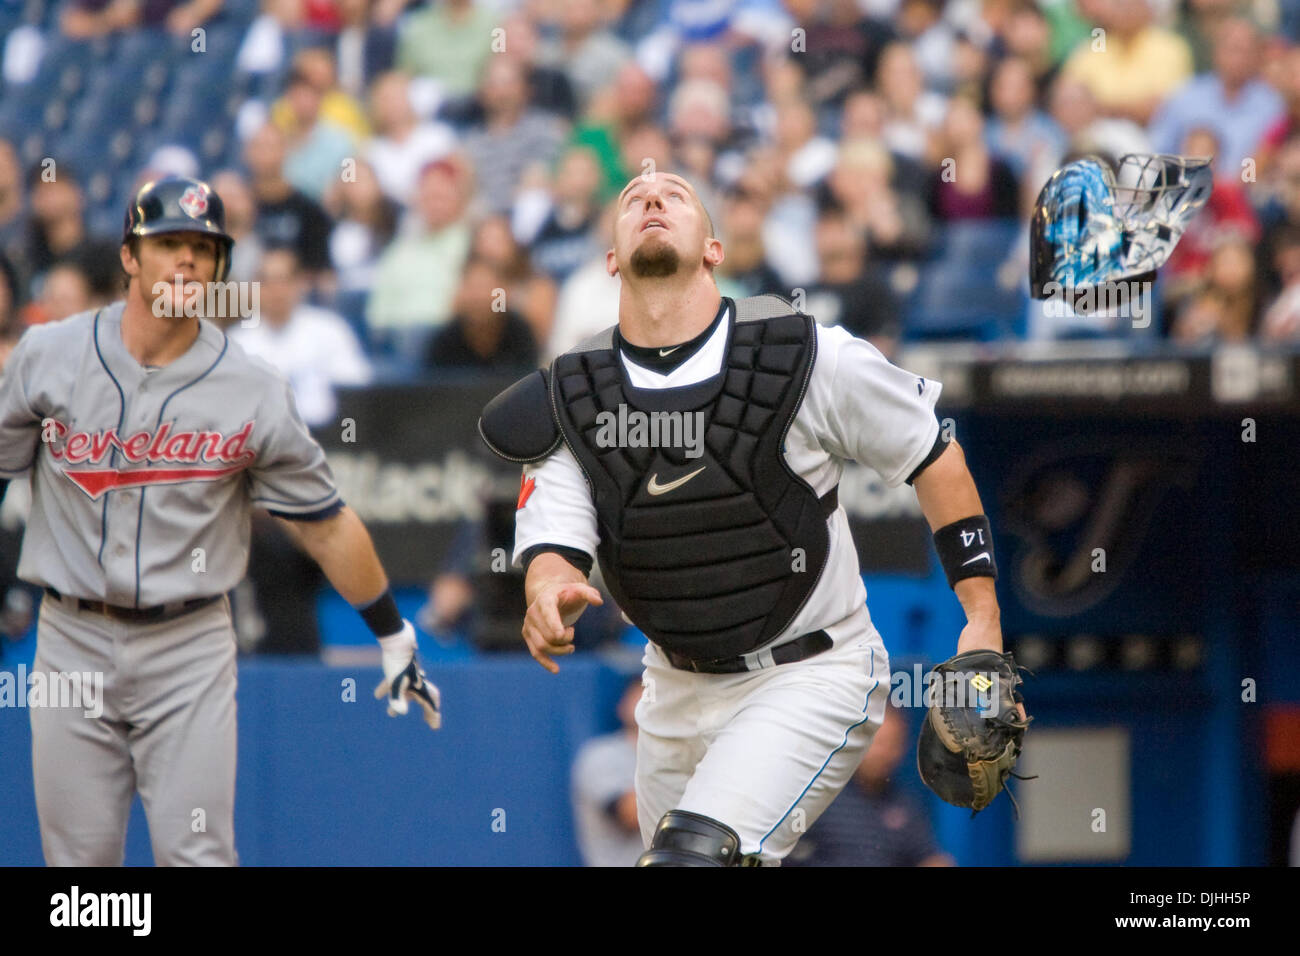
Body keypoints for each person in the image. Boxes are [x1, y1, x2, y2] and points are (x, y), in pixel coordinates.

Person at [479, 171, 1012, 865]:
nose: (651, 199)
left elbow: (934, 456)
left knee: (691, 858)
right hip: (672, 686)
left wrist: (982, 617)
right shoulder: (572, 394)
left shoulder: (802, 353)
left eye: (676, 195)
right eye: (634, 198)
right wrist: (545, 588)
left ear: (714, 248)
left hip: (809, 671)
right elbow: (555, 540)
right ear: (609, 258)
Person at [0, 176, 440, 866]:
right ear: (129, 257)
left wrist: (392, 632)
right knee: (78, 874)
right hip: (71, 638)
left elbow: (325, 522)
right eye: (168, 243)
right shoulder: (47, 355)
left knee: (198, 856)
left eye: (202, 250)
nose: (186, 262)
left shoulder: (252, 387)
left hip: (190, 643)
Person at [786, 701, 954, 866]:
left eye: (894, 744)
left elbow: (929, 857)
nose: (885, 753)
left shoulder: (904, 805)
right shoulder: (818, 794)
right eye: (880, 743)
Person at [571, 678, 645, 867]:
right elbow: (630, 814)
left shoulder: (688, 755)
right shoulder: (601, 755)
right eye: (641, 691)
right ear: (622, 706)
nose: (647, 701)